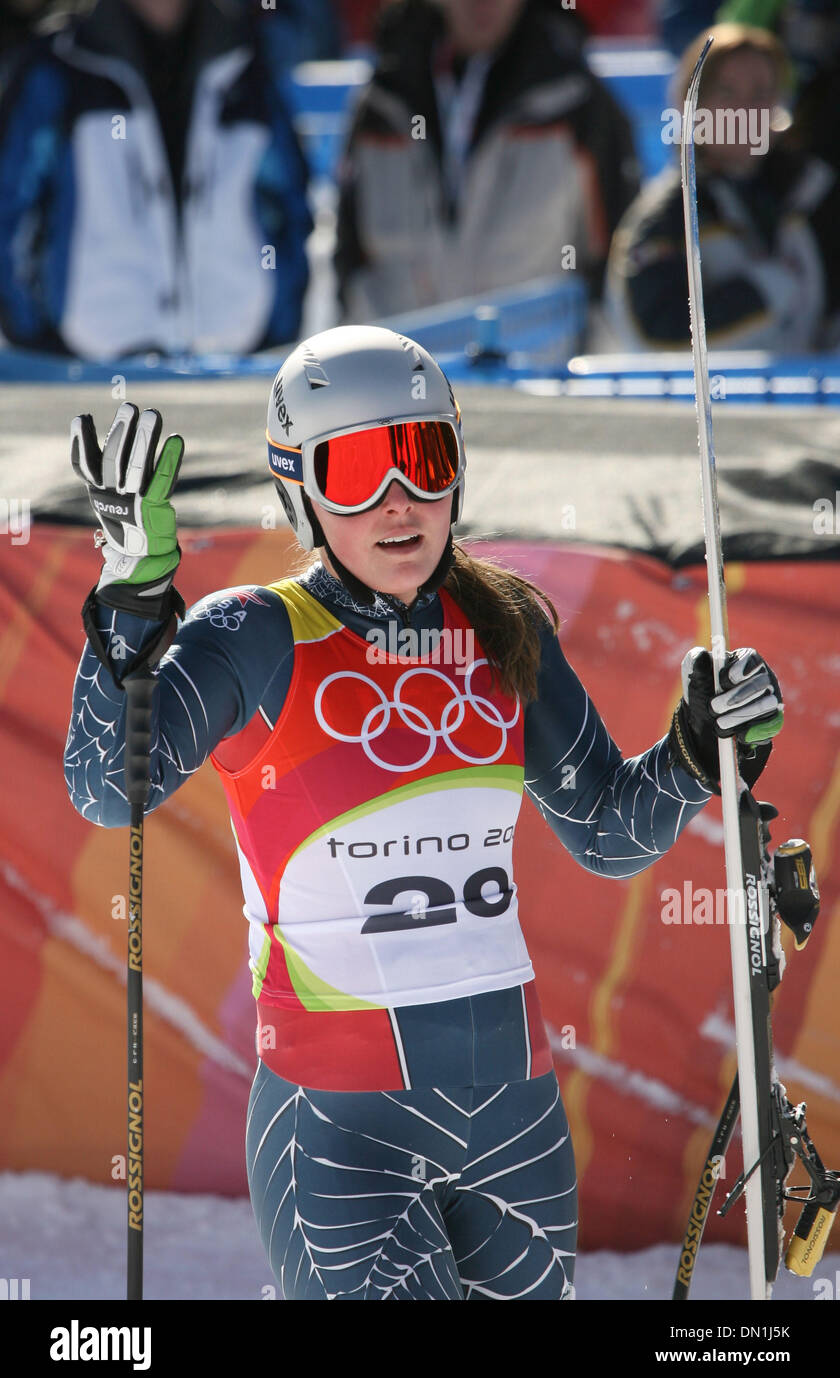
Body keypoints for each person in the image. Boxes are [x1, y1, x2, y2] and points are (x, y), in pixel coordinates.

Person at [64, 324, 784, 1300]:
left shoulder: (504, 623)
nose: (398, 500)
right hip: (338, 1131)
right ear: (300, 489)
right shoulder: (254, 636)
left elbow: (611, 832)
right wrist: (132, 593)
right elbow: (111, 786)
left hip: (514, 1124)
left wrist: (699, 747)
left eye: (424, 458)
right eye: (359, 468)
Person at [0, 0, 311, 357]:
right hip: (92, 359)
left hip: (233, 354)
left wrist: (277, 325)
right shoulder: (59, 66)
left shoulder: (247, 63)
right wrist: (35, 335)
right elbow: (11, 203)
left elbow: (289, 203)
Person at [333, 0, 640, 321]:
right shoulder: (380, 104)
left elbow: (617, 271)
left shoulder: (579, 105)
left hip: (537, 368)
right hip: (396, 366)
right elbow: (348, 268)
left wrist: (583, 366)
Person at [605, 23, 840, 351]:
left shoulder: (812, 194)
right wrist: (771, 286)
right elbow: (657, 333)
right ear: (693, 107)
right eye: (726, 92)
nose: (744, 110)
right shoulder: (670, 214)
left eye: (760, 92)